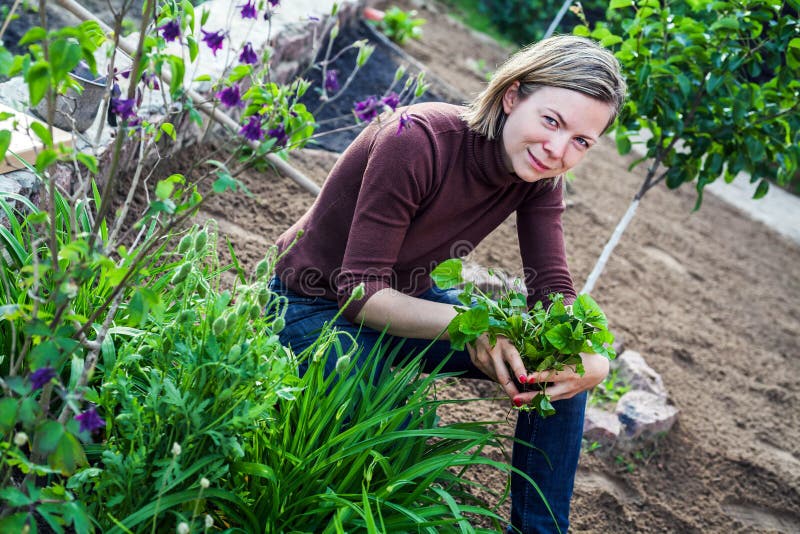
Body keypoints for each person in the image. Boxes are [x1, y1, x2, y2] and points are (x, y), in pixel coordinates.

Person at [269, 34, 626, 533]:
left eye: (581, 142)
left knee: (556, 369)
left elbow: (553, 289)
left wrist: (594, 359)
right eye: (551, 121)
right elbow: (358, 293)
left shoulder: (542, 175)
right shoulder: (415, 139)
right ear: (512, 96)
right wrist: (472, 327)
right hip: (312, 300)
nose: (558, 150)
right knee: (390, 434)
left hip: (406, 298)